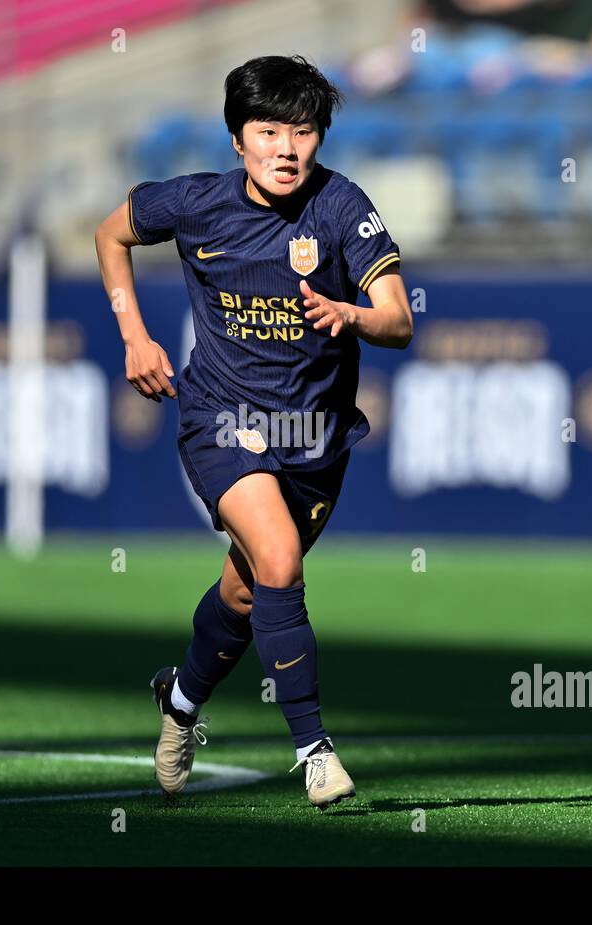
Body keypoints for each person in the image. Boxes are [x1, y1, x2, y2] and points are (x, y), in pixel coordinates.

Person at [94, 54, 413, 809]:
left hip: (316, 441)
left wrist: (354, 315)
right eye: (267, 130)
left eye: (301, 131)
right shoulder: (196, 204)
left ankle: (177, 704)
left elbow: (398, 317)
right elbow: (110, 235)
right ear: (237, 139)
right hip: (221, 420)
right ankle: (314, 749)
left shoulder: (341, 208)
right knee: (277, 558)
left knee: (246, 592)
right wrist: (133, 336)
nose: (285, 148)